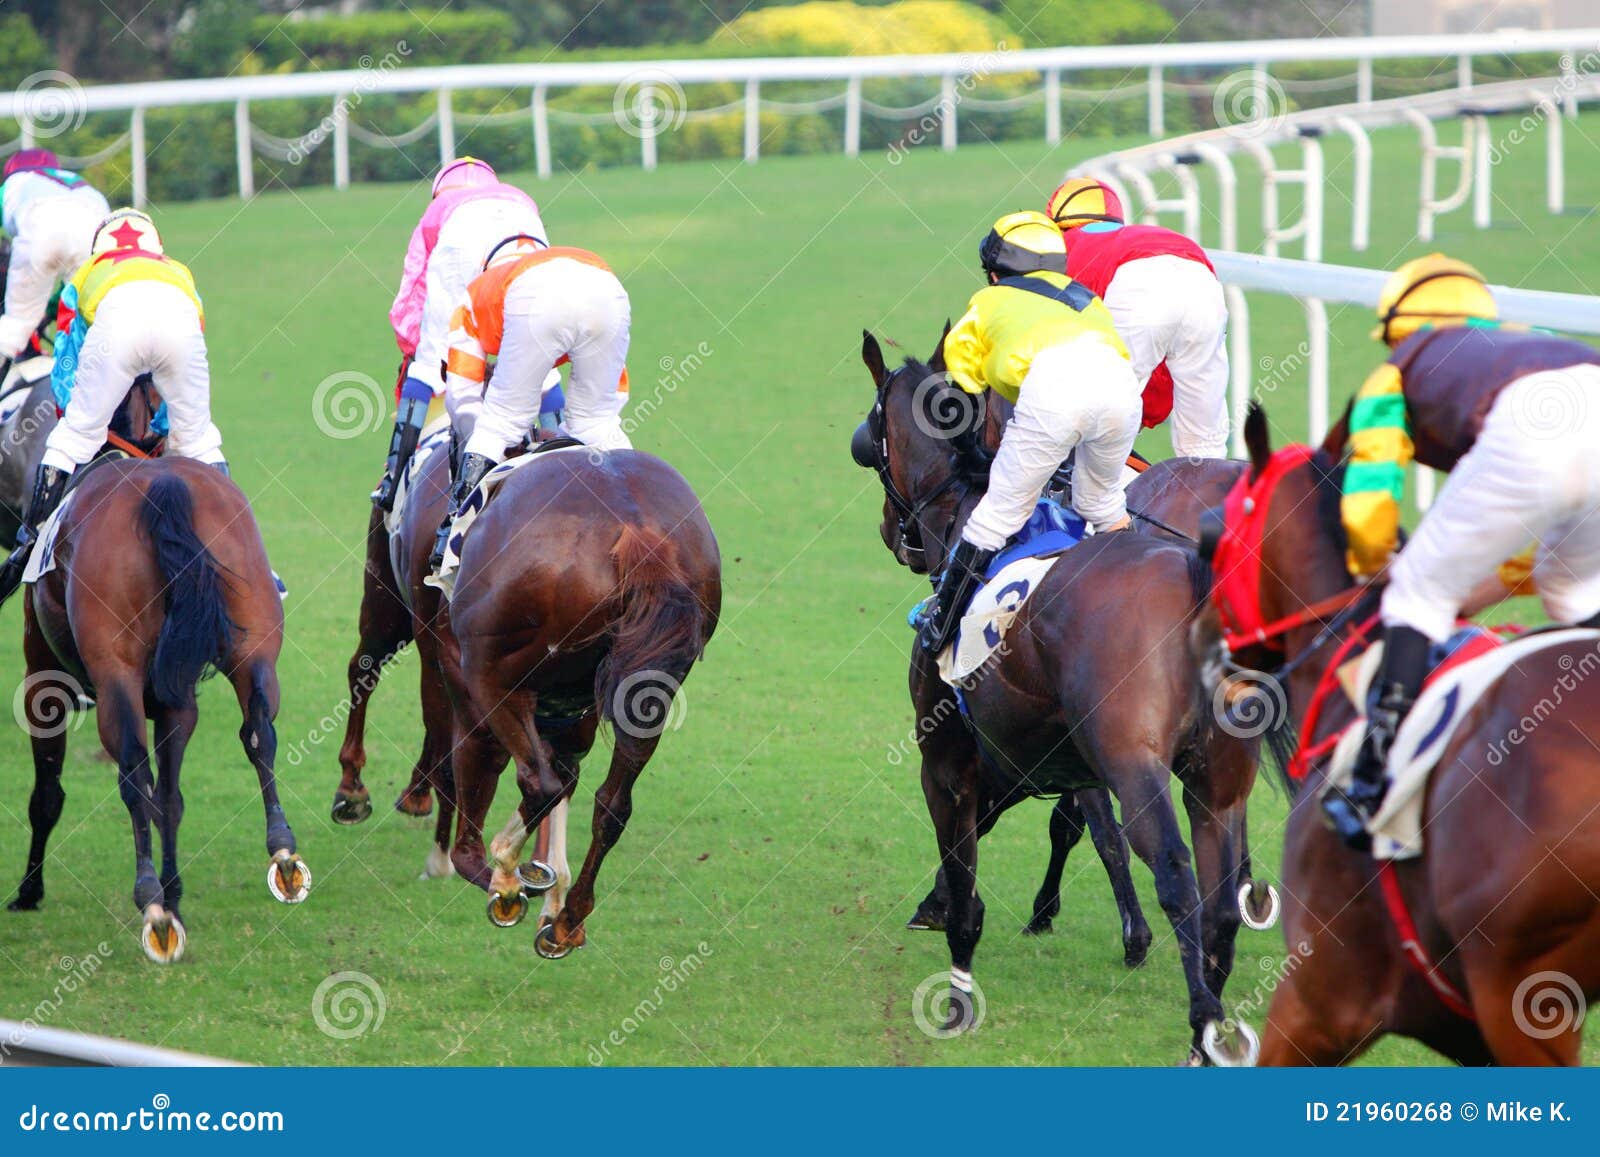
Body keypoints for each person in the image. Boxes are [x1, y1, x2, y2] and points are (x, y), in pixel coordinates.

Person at [1322, 253, 1600, 847]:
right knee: (1574, 592)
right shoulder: (1539, 340)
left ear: (1397, 328)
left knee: (1418, 592)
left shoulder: (1396, 370)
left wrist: (1379, 567)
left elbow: (1371, 488)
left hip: (1529, 435)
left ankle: (1370, 779)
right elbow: (1543, 538)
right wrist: (1506, 576)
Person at [914, 210, 1141, 655]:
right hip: (1121, 388)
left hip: (1054, 389)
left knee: (999, 514)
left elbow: (957, 391)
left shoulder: (987, 302)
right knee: (1101, 502)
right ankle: (1136, 591)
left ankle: (941, 623)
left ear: (995, 273)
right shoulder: (1085, 297)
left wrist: (969, 455)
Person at [0, 209, 227, 602]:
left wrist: (75, 417)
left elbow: (68, 357)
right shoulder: (178, 271)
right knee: (201, 443)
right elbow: (191, 344)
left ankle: (27, 547)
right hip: (181, 329)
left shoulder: (88, 273)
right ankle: (227, 552)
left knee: (72, 438)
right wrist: (165, 427)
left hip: (117, 331)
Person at [428, 235, 631, 571]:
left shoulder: (475, 295)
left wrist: (489, 435)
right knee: (599, 422)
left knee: (502, 421)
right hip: (609, 289)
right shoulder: (542, 267)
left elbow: (462, 398)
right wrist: (570, 437)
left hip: (537, 299)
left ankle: (450, 538)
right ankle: (637, 517)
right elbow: (617, 391)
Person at [373, 156, 552, 511]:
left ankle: (394, 478)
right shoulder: (517, 198)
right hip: (527, 232)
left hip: (460, 243)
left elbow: (412, 297)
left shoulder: (439, 210)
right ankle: (562, 449)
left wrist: (421, 352)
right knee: (541, 353)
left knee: (427, 358)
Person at [1046, 177, 1230, 459]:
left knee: (1099, 432)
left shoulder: (1060, 250)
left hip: (1136, 286)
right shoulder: (1131, 236)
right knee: (1203, 446)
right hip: (1202, 279)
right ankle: (1217, 497)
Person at [0, 148, 109, 380]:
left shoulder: (13, 185)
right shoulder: (80, 184)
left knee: (15, 327)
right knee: (95, 327)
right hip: (96, 232)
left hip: (40, 234)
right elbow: (72, 291)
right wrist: (51, 308)